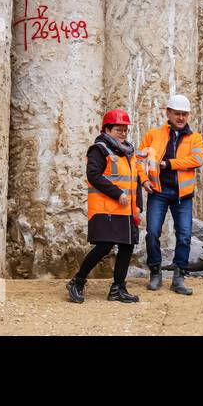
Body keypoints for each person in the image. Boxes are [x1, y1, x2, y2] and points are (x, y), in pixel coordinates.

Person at [67, 109, 146, 303]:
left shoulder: (128, 151)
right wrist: (117, 193)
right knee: (104, 246)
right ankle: (77, 281)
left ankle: (118, 288)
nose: (123, 133)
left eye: (125, 130)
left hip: (126, 209)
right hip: (106, 209)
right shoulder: (99, 149)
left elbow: (134, 179)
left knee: (127, 246)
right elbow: (93, 175)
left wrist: (138, 207)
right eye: (118, 130)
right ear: (107, 129)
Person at [139, 94, 203, 295]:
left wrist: (170, 164)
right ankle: (156, 271)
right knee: (152, 233)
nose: (181, 118)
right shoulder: (153, 135)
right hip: (158, 192)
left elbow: (197, 160)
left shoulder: (195, 137)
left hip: (182, 195)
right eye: (177, 114)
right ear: (168, 113)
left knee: (184, 236)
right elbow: (140, 160)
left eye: (184, 114)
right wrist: (144, 180)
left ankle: (179, 276)